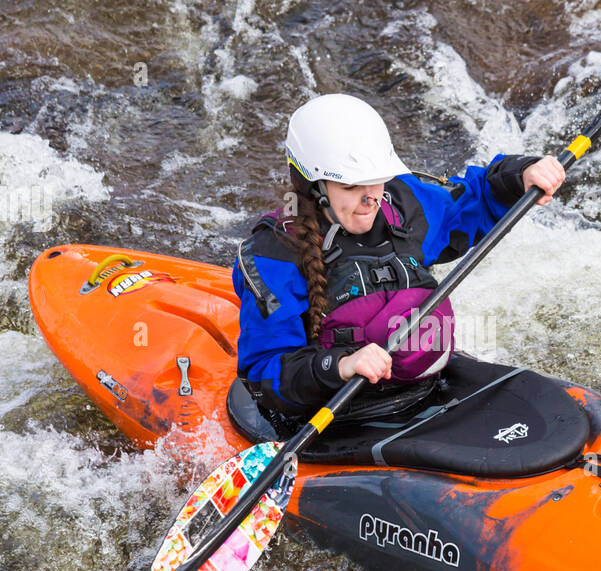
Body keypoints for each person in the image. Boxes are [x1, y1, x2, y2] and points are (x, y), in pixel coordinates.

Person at [232, 93, 565, 430]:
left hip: (427, 391)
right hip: (339, 418)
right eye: (351, 186)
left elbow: (471, 204)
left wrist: (518, 176)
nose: (369, 198)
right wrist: (341, 365)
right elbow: (263, 373)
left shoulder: (402, 204)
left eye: (376, 179)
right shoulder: (274, 254)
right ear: (313, 186)